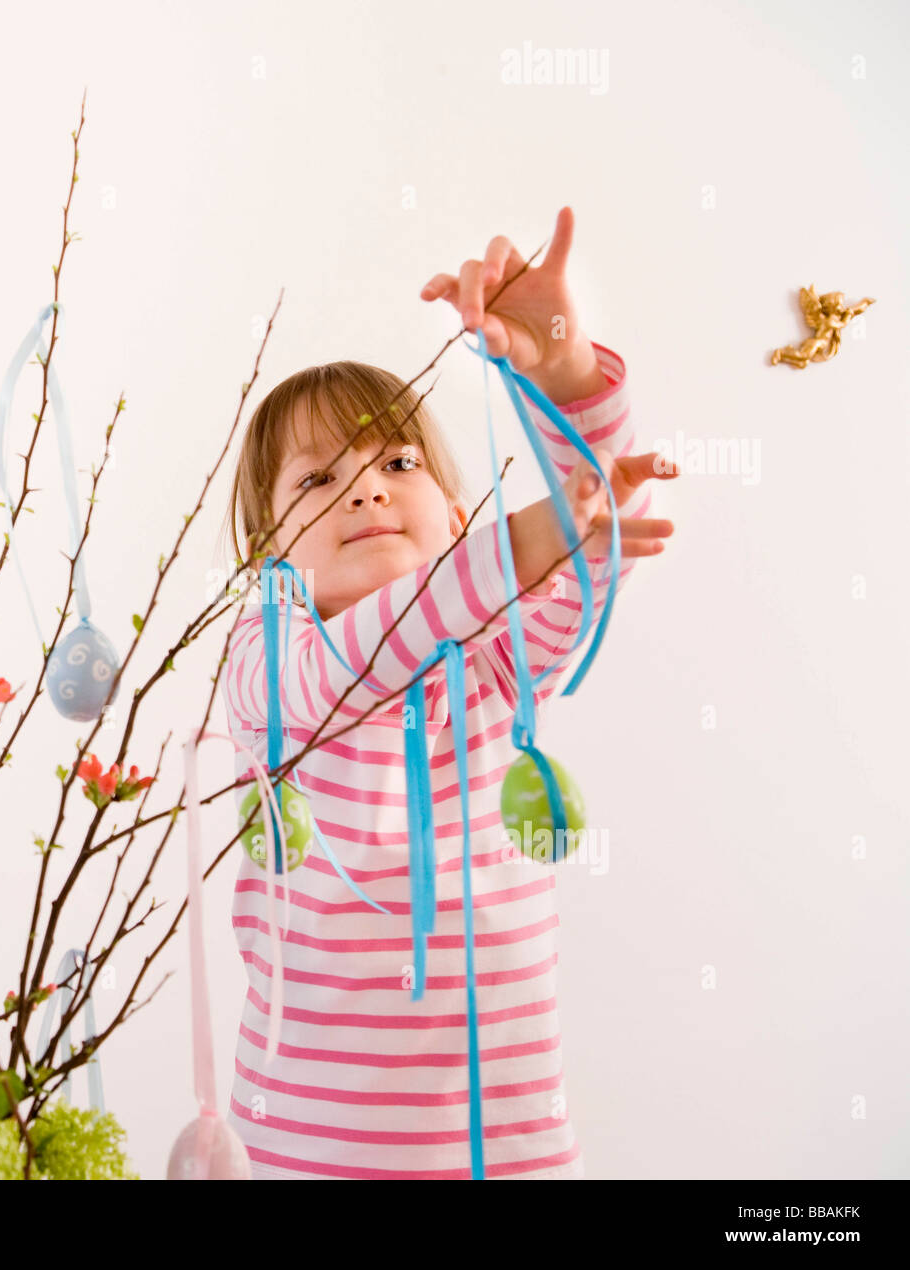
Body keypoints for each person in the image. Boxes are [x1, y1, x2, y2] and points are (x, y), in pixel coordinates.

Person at [218, 207, 680, 1179]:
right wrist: (526, 543)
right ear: (267, 552)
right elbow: (355, 660)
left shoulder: (494, 664)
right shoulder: (268, 659)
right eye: (316, 480)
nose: (365, 491)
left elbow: (597, 526)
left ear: (455, 512)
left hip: (510, 1152)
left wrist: (562, 369)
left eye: (396, 462)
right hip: (309, 1149)